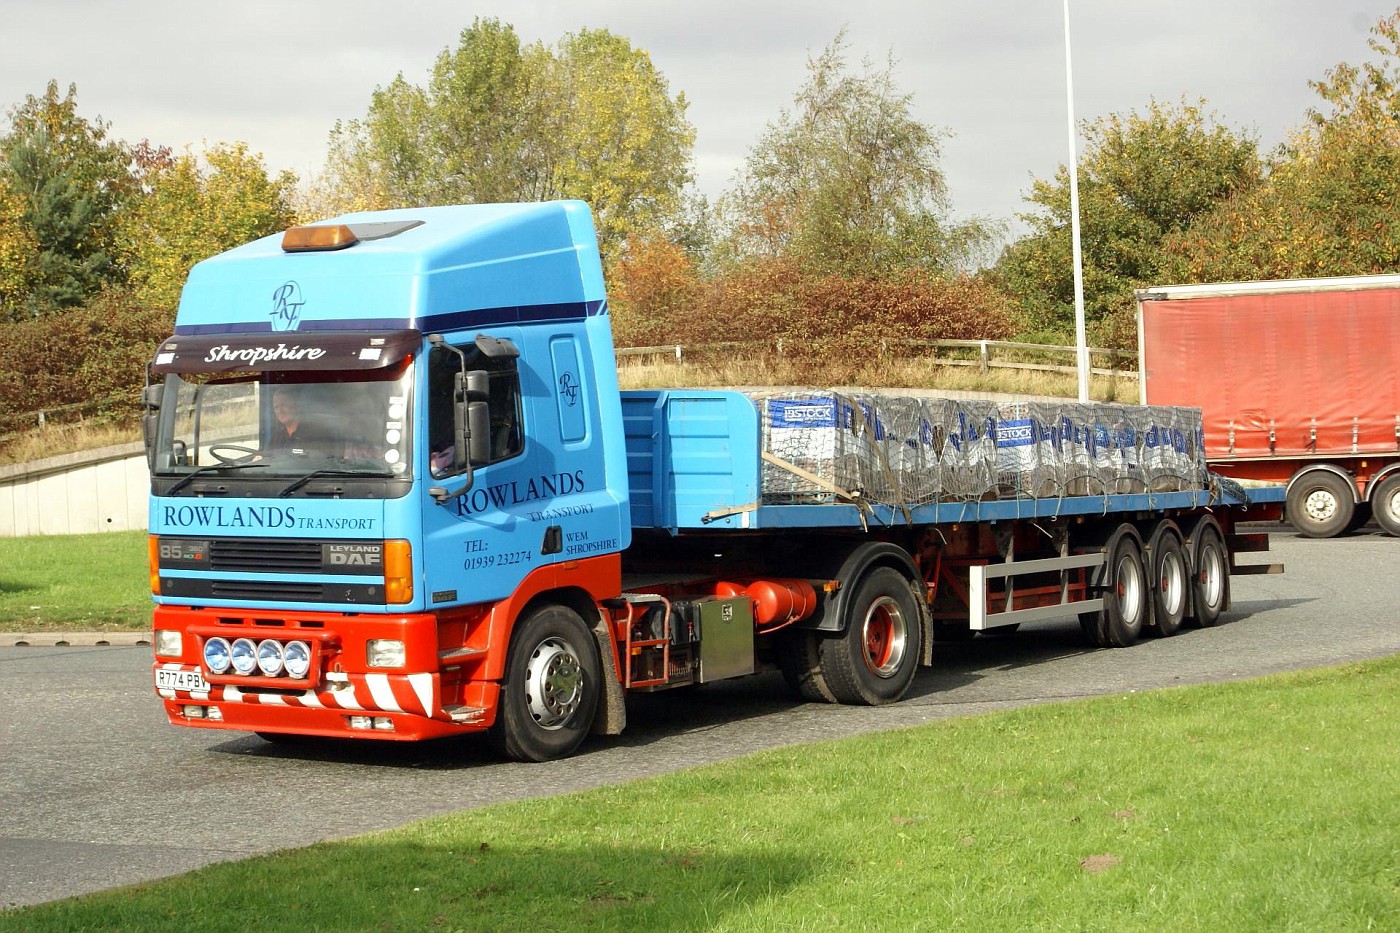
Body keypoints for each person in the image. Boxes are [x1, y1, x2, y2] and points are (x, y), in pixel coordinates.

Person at [265, 387, 330, 457]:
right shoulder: (275, 438)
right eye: (276, 407)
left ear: (297, 406)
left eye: (284, 405)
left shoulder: (316, 435)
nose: (280, 411)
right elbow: (268, 459)